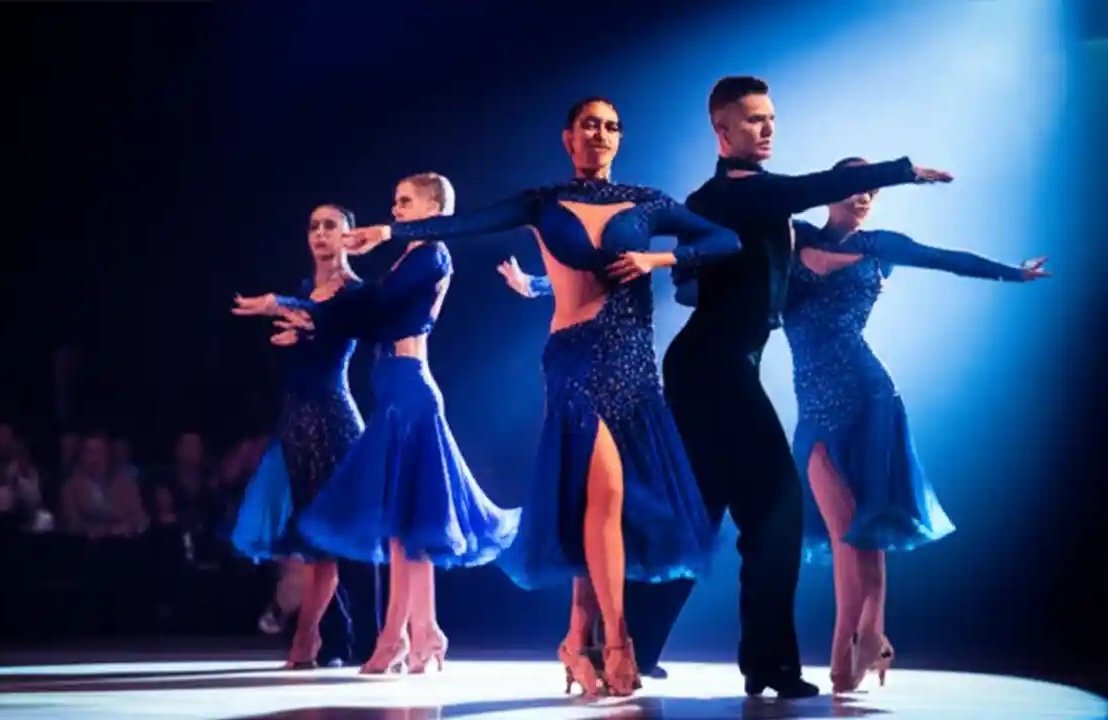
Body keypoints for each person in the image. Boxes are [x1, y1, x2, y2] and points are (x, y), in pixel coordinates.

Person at [341, 98, 738, 696]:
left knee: (601, 508)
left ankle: (576, 636)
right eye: (588, 126)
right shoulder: (542, 202)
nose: (599, 135)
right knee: (602, 492)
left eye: (610, 127)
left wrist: (661, 256)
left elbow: (725, 240)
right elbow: (466, 223)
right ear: (568, 137)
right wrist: (394, 230)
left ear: (618, 139)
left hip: (634, 361)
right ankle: (617, 639)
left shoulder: (649, 202)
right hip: (573, 358)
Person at [641, 75, 955, 698]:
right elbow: (813, 188)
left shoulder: (719, 201)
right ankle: (770, 666)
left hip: (716, 363)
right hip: (716, 366)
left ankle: (632, 641)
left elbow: (690, 283)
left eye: (772, 119)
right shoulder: (741, 192)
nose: (767, 129)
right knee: (778, 513)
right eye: (754, 120)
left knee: (700, 515)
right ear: (722, 129)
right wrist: (901, 170)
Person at [235, 173, 519, 675]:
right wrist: (301, 314)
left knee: (407, 524)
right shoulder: (409, 259)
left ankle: (397, 638)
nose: (396, 210)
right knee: (406, 525)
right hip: (392, 391)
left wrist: (295, 306)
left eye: (405, 202)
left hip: (409, 392)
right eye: (395, 202)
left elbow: (371, 307)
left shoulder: (433, 253)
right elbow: (364, 319)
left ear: (434, 208)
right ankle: (424, 633)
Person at [784, 157, 1050, 693]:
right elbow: (756, 214)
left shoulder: (882, 244)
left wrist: (1013, 272)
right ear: (833, 190)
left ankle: (858, 637)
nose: (864, 198)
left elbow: (945, 259)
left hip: (869, 395)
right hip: (813, 403)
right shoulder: (794, 235)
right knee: (844, 530)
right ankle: (864, 639)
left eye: (874, 192)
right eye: (855, 188)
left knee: (867, 526)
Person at [229, 204, 368, 669]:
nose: (321, 233)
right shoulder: (307, 289)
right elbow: (311, 321)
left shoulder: (352, 291)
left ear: (349, 236)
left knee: (323, 538)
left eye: (331, 226)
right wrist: (295, 329)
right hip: (295, 418)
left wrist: (280, 306)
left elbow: (333, 320)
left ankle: (309, 639)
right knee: (303, 537)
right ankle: (327, 637)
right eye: (314, 226)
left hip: (332, 420)